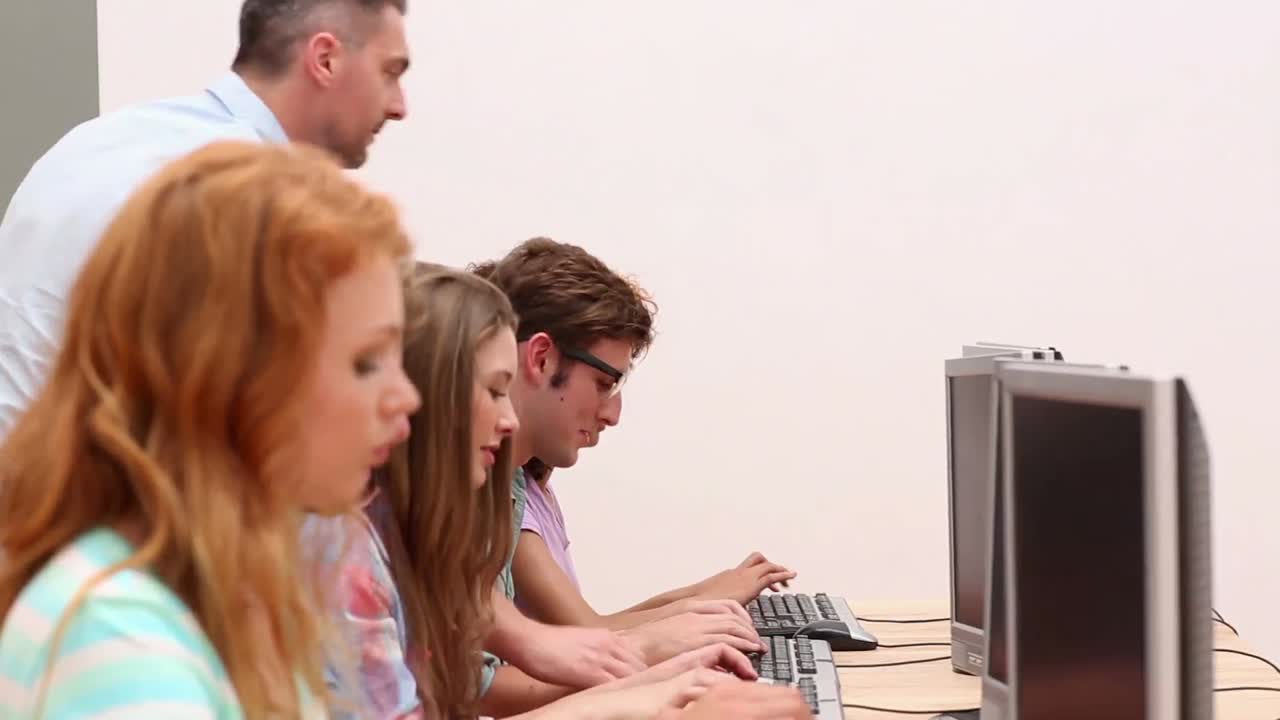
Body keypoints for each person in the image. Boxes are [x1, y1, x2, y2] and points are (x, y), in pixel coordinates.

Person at [0, 140, 421, 719]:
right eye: (366, 362)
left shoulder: (216, 603)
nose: (406, 397)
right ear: (231, 377)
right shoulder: (119, 637)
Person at [317, 266, 800, 718]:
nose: (507, 420)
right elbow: (506, 672)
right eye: (492, 391)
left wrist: (662, 680)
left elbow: (535, 652)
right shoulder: (347, 553)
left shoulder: (405, 535)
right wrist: (645, 684)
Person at [0, 0, 412, 438]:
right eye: (390, 72)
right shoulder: (245, 195)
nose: (399, 106)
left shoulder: (105, 138)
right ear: (325, 59)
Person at [470, 239, 797, 633]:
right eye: (604, 383)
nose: (613, 414)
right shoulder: (484, 495)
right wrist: (700, 610)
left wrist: (702, 599)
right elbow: (585, 636)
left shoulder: (514, 489)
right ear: (539, 358)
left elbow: (566, 647)